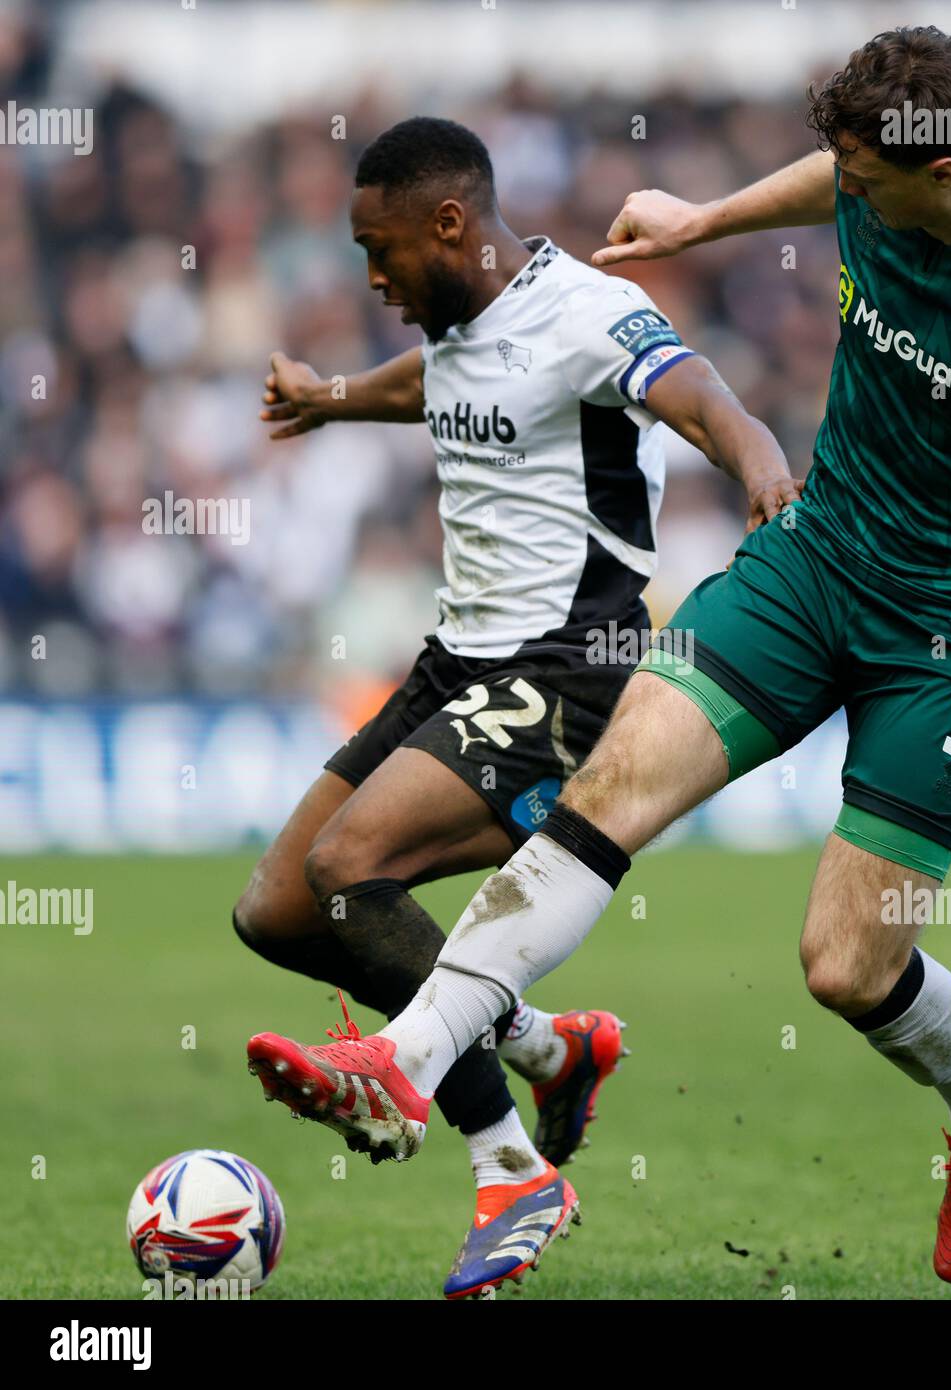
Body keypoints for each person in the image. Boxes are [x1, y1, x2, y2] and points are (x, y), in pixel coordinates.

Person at [248, 29, 951, 1288]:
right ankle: (412, 1059)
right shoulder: (883, 175)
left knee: (844, 967)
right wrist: (702, 219)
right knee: (610, 791)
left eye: (861, 180)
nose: (844, 194)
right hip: (811, 561)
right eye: (841, 172)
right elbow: (830, 176)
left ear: (940, 170)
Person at [238, 116, 801, 1298]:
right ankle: (548, 1045)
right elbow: (435, 383)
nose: (372, 277)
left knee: (352, 866)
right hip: (457, 663)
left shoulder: (586, 312)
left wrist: (757, 464)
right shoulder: (452, 322)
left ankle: (509, 1168)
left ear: (449, 223)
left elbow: (700, 393)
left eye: (380, 250)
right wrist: (333, 398)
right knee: (280, 910)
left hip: (569, 667)